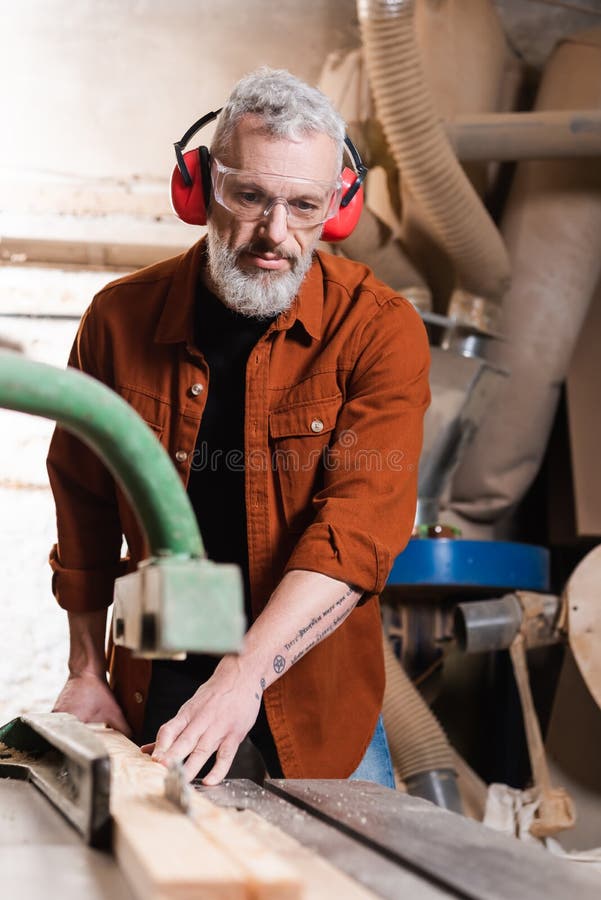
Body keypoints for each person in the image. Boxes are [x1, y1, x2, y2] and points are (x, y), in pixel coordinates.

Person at [47, 67, 430, 787]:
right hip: (156, 674)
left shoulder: (378, 329)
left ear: (337, 207)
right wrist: (86, 669)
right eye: (250, 196)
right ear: (200, 187)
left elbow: (358, 530)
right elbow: (84, 504)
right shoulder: (118, 320)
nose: (274, 234)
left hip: (312, 698)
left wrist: (242, 676)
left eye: (303, 205)